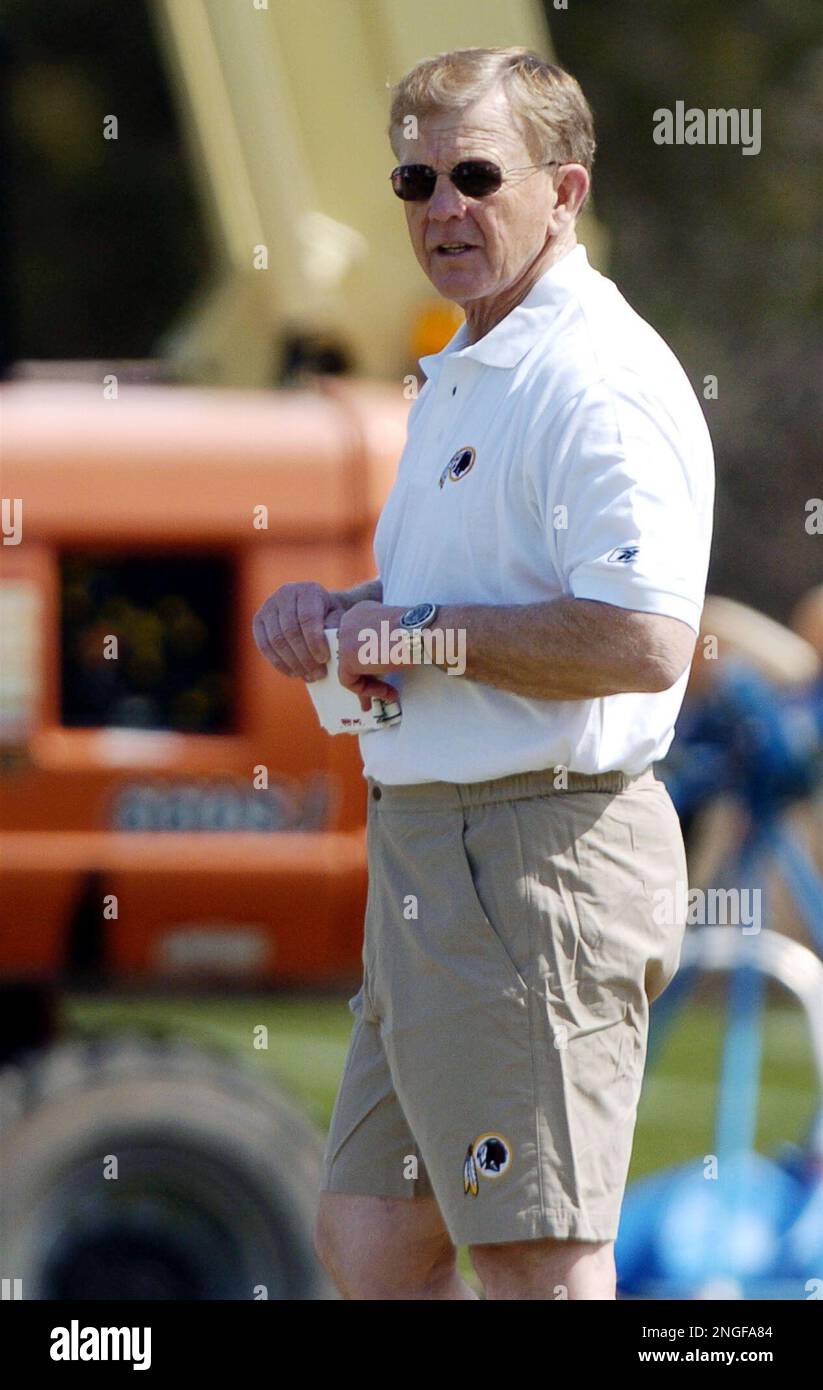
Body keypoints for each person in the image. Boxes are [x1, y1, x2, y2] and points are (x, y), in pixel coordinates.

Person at [253, 46, 714, 1300]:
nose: (440, 208)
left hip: (533, 860)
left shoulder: (595, 379)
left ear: (562, 190)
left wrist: (406, 635)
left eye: (474, 175)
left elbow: (641, 638)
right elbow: (471, 602)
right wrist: (341, 613)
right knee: (372, 1240)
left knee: (535, 1261)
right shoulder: (468, 365)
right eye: (415, 179)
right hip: (429, 859)